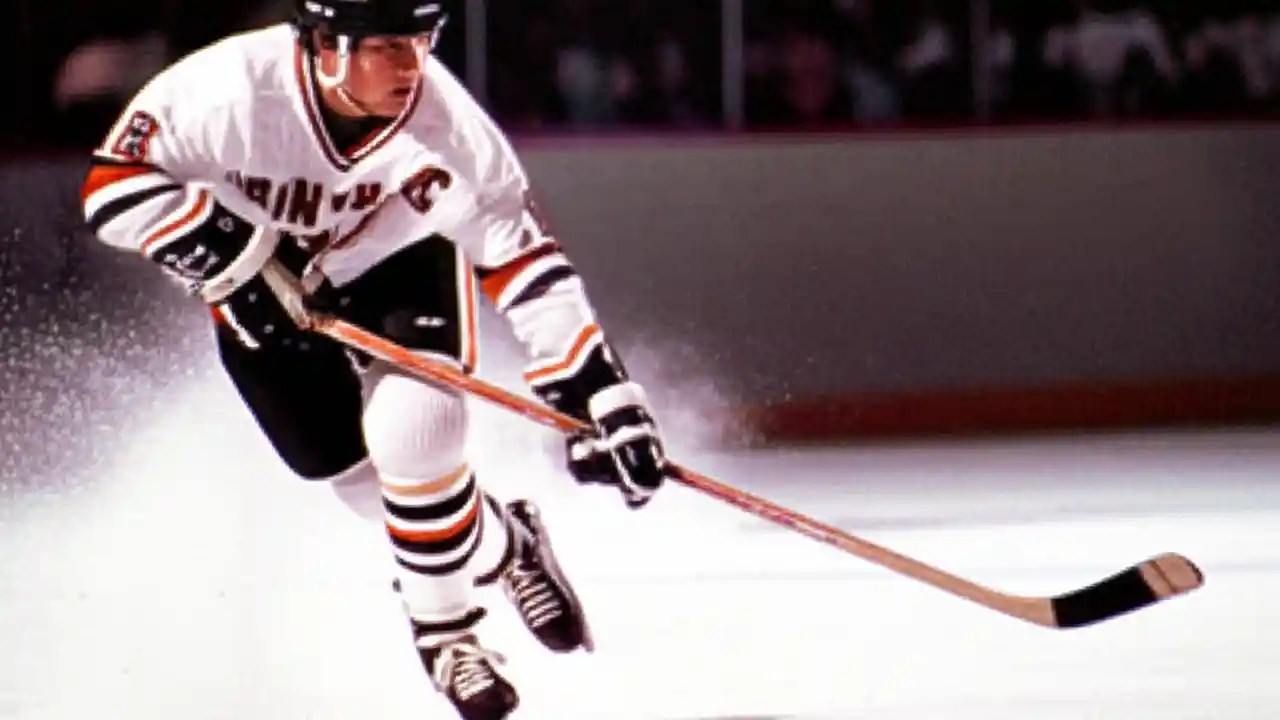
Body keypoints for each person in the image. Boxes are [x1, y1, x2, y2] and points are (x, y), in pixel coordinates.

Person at [79, 1, 673, 718]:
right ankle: (506, 543)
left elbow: (521, 259)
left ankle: (446, 634)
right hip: (262, 293)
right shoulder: (224, 92)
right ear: (326, 46)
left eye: (420, 41)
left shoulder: (446, 127)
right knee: (366, 490)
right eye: (386, 45)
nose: (410, 65)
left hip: (399, 260)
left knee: (416, 434)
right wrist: (233, 255)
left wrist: (601, 395)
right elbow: (111, 189)